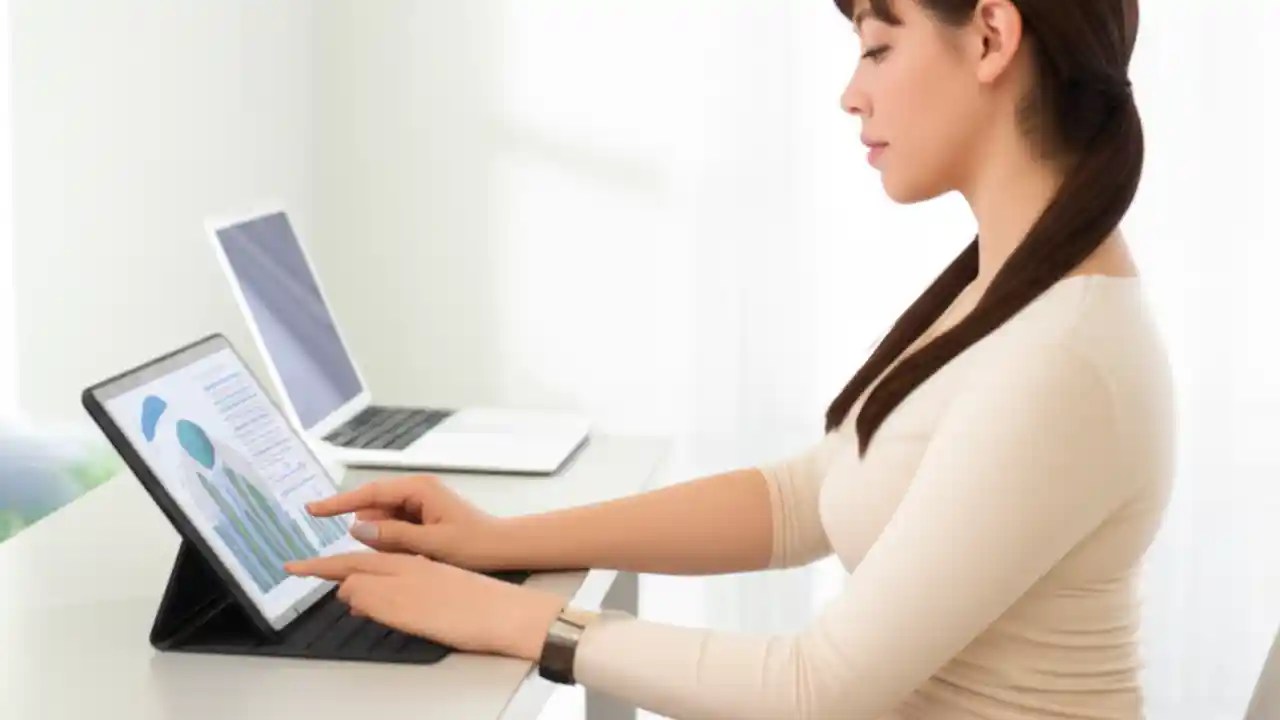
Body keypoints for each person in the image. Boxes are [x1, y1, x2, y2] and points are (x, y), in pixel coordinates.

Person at [286, 0, 1174, 717]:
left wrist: (516, 619)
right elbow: (803, 499)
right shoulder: (1007, 294)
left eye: (877, 47)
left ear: (990, 37)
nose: (851, 94)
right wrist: (498, 542)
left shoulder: (1061, 358)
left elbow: (814, 690)